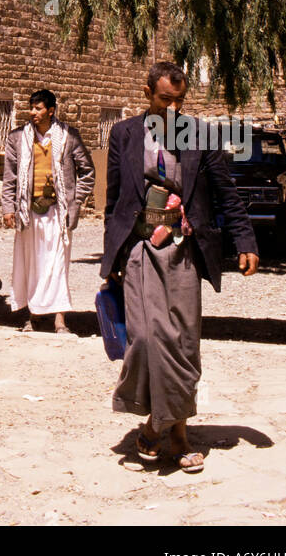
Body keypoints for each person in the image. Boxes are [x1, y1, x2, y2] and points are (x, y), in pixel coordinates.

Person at [101, 60, 259, 472]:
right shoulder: (125, 134)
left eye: (179, 100)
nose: (172, 108)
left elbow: (226, 193)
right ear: (148, 93)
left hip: (184, 249)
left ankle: (169, 431)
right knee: (149, 340)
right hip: (140, 250)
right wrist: (112, 256)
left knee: (184, 344)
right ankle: (165, 427)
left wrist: (245, 240)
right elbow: (114, 200)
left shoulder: (199, 135)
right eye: (164, 99)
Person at [2, 88, 95, 333]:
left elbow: (87, 172)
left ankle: (59, 319)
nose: (33, 112)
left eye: (38, 108)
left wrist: (76, 200)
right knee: (32, 263)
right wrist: (8, 207)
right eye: (31, 108)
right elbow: (10, 177)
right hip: (28, 210)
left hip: (58, 212)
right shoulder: (17, 139)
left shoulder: (68, 137)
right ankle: (33, 317)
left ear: (51, 111)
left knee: (57, 263)